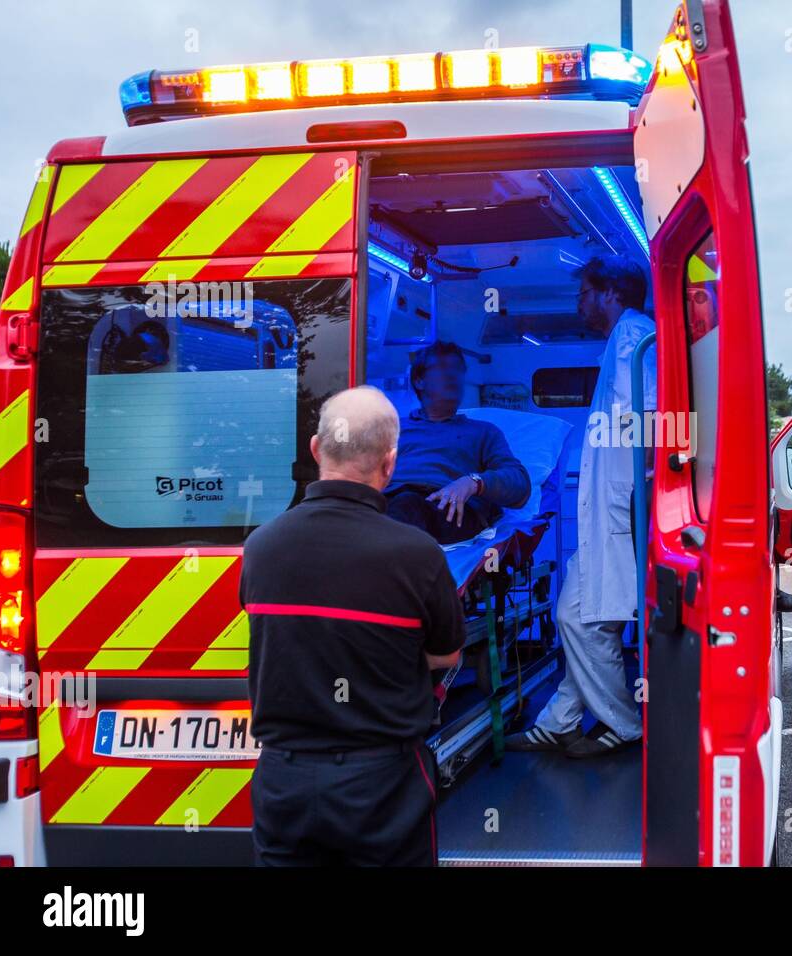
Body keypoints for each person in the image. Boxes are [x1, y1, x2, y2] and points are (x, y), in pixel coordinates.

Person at [241, 385, 466, 865]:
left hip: (284, 782)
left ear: (317, 450)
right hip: (381, 787)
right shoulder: (418, 555)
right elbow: (447, 655)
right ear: (389, 464)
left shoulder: (261, 546)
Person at [506, 255, 655, 758]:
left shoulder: (634, 337)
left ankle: (623, 721)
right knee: (582, 615)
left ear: (610, 291)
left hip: (617, 509)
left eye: (584, 293)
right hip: (608, 510)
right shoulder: (622, 339)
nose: (579, 303)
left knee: (582, 618)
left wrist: (639, 490)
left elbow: (652, 417)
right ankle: (561, 720)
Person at [386, 340, 531, 544]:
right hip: (389, 504)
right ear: (419, 381)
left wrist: (473, 482)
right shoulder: (392, 430)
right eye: (443, 367)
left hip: (448, 510)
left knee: (405, 506)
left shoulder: (483, 432)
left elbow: (520, 484)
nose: (453, 374)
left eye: (458, 369)